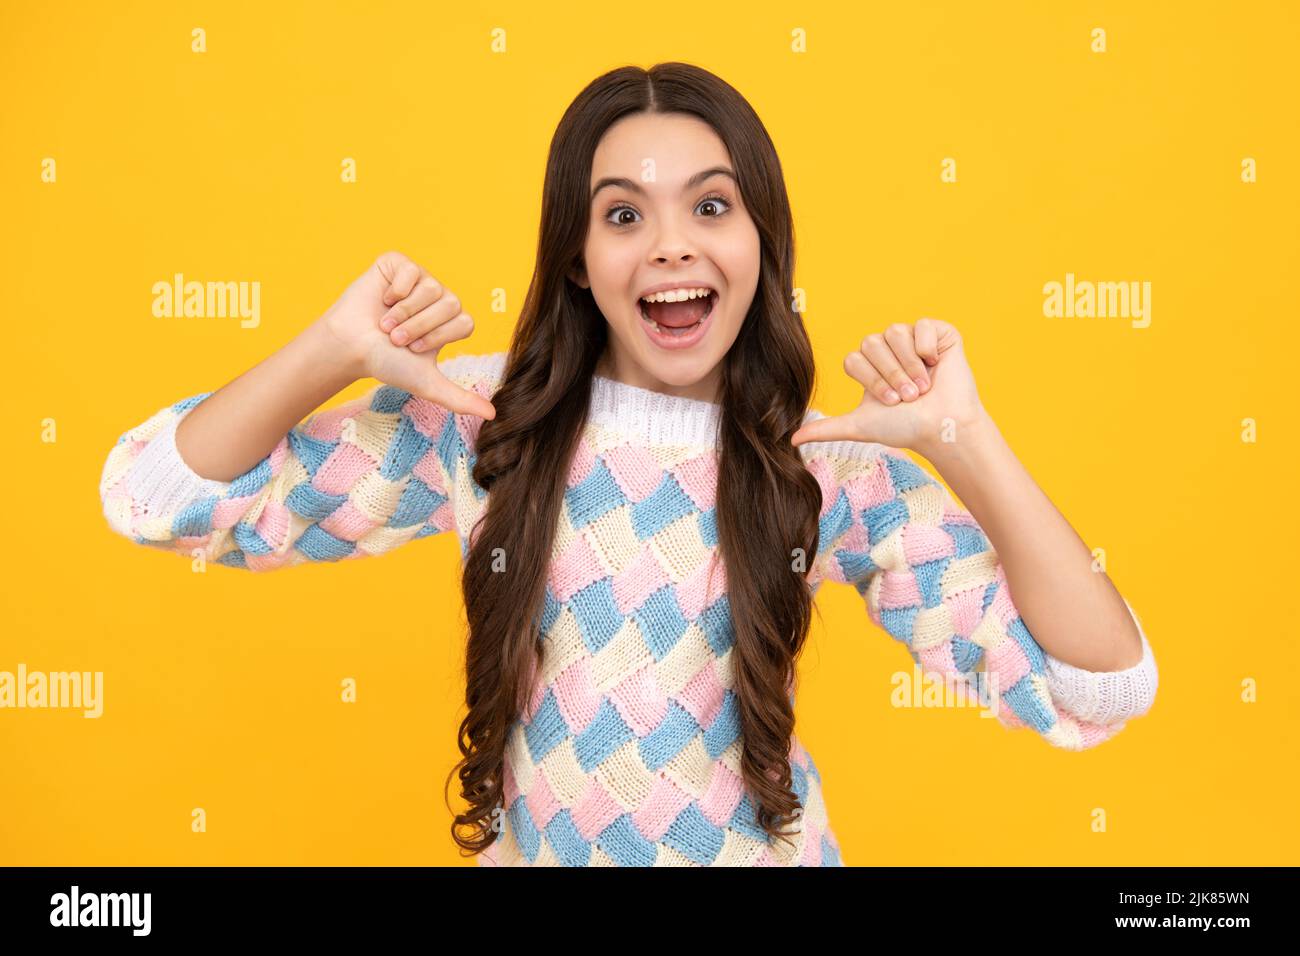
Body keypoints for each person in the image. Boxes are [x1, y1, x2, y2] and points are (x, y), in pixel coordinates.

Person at [99, 62, 1158, 867]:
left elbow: (1097, 688)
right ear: (578, 254)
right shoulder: (484, 420)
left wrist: (963, 438)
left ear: (761, 240)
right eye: (621, 213)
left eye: (710, 204)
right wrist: (329, 346)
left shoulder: (826, 467)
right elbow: (157, 497)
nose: (668, 246)